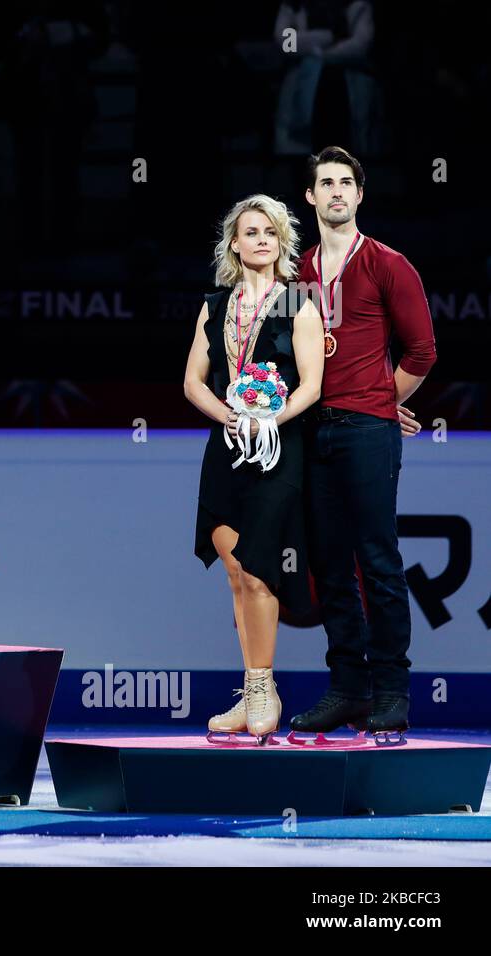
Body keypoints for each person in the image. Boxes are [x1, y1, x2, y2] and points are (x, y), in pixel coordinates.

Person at [289, 146, 436, 743]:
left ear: (360, 195)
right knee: (329, 564)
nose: (337, 192)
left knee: (377, 559)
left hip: (367, 432)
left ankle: (392, 693)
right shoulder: (297, 272)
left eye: (346, 183)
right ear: (310, 198)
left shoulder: (388, 264)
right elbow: (287, 353)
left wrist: (380, 398)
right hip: (312, 431)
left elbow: (422, 352)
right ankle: (347, 690)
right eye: (325, 183)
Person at [185, 195, 324, 743]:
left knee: (260, 568)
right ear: (234, 244)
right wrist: (232, 417)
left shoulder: (300, 302)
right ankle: (250, 692)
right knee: (234, 573)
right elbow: (194, 381)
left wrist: (269, 419)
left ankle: (265, 688)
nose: (261, 239)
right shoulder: (213, 307)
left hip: (279, 449)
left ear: (281, 242)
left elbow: (312, 384)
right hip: (226, 448)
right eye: (250, 231)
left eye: (270, 231)